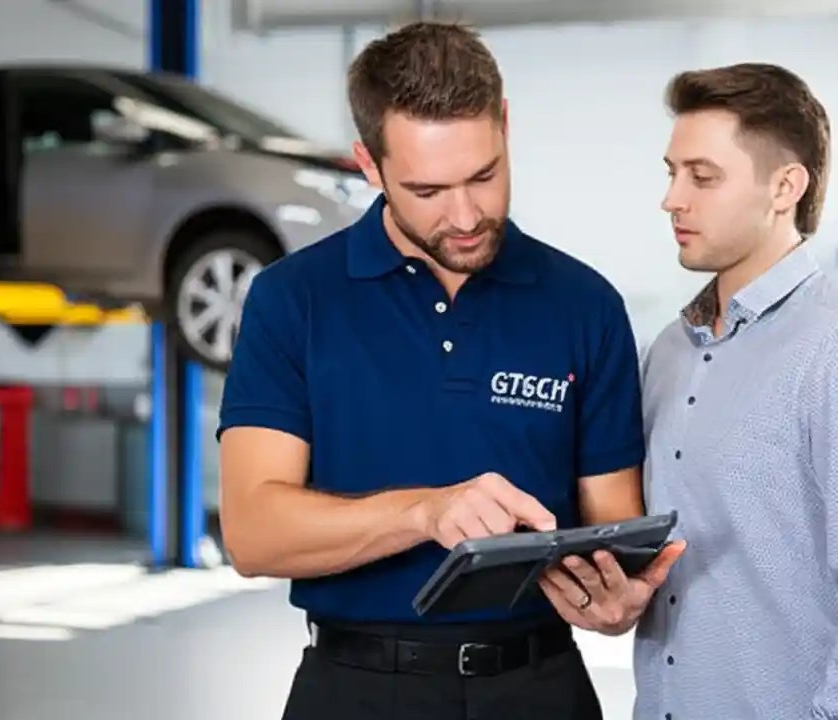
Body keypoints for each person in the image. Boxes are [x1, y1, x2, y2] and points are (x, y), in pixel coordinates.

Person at [215, 20, 683, 720]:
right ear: (369, 166)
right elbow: (252, 534)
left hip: (541, 687)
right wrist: (428, 512)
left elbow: (612, 521)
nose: (467, 215)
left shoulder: (585, 305)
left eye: (485, 176)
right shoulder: (293, 300)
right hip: (354, 688)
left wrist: (615, 602)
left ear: (504, 125)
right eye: (429, 190)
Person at [632, 63, 838, 720]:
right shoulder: (669, 352)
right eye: (672, 172)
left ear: (785, 187)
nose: (672, 199)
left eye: (703, 176)